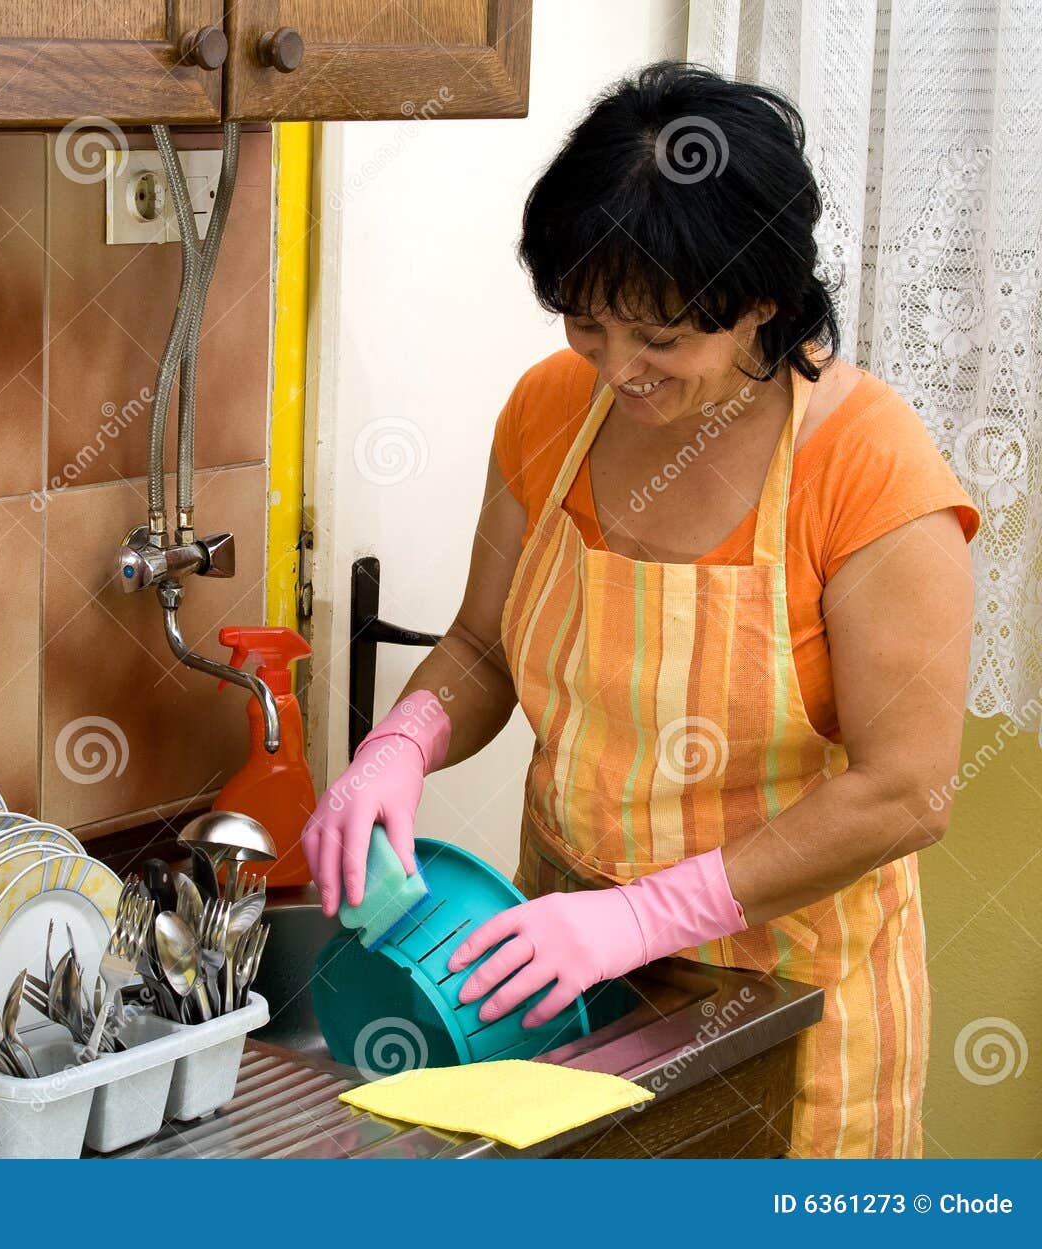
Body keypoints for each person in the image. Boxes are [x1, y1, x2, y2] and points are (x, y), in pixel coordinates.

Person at [303, 62, 979, 1158]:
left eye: (662, 341)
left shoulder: (868, 469)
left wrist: (643, 915)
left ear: (761, 300)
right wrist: (401, 742)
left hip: (783, 1012)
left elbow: (904, 793)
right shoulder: (545, 409)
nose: (618, 371)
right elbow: (482, 644)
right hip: (553, 991)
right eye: (586, 323)